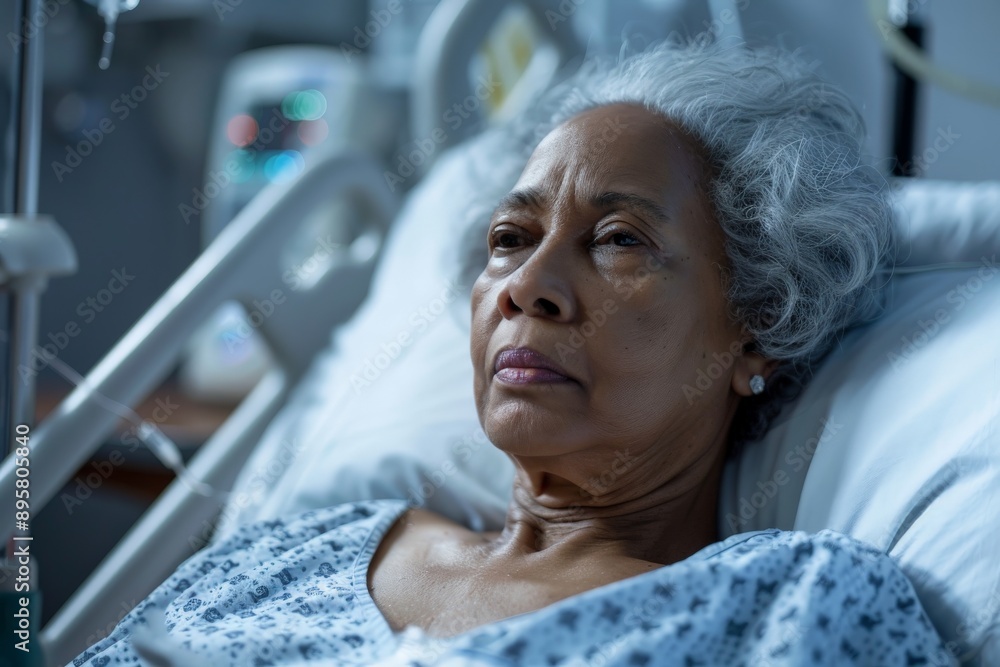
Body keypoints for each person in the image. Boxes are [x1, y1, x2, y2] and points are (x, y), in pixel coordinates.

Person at [69, 41, 955, 667]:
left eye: (617, 239)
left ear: (756, 322)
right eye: (509, 235)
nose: (529, 284)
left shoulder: (790, 606)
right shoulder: (295, 551)